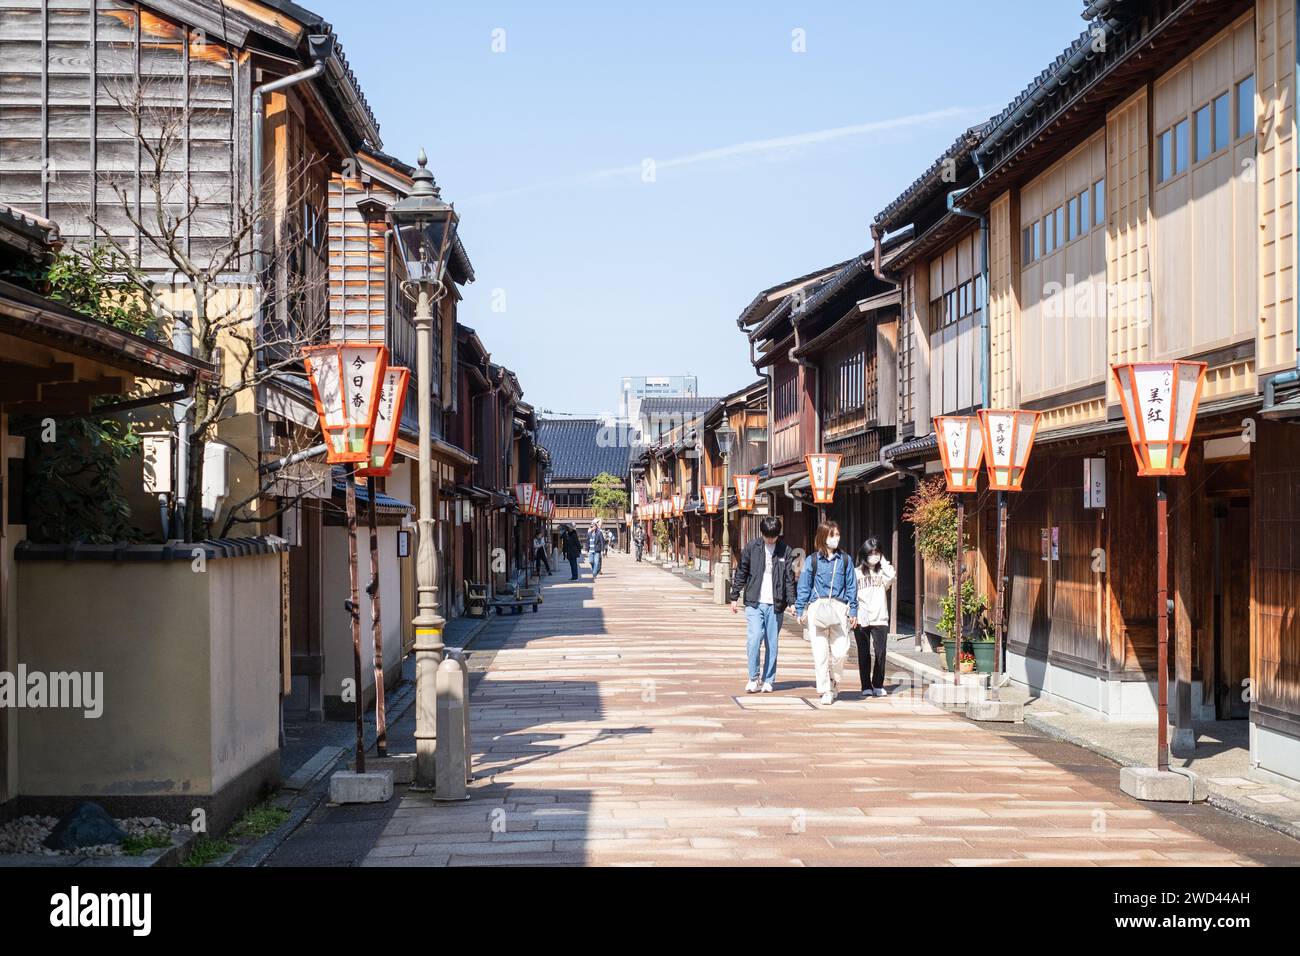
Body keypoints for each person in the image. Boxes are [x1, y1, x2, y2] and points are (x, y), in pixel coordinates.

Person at [729, 515, 796, 694]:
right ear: (763, 533)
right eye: (768, 536)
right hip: (754, 601)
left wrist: (792, 602)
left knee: (771, 643)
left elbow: (789, 578)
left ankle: (768, 679)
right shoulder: (752, 547)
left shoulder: (785, 550)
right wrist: (734, 596)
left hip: (776, 603)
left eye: (774, 536)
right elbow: (742, 571)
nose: (771, 540)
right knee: (754, 638)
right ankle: (753, 678)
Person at [795, 521, 858, 705]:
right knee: (820, 653)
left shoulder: (845, 560)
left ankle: (833, 679)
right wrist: (801, 609)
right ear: (823, 537)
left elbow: (852, 585)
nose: (835, 539)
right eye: (832, 535)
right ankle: (825, 690)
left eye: (837, 535)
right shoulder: (812, 560)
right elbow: (804, 585)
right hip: (817, 607)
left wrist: (853, 609)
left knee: (841, 650)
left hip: (838, 607)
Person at [853, 537, 896, 698]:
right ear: (864, 554)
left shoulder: (882, 572)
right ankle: (866, 685)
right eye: (871, 553)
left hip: (880, 617)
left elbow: (892, 575)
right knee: (863, 653)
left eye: (877, 553)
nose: (874, 556)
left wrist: (883, 560)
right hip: (861, 617)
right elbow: (851, 595)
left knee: (880, 652)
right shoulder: (856, 573)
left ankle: (878, 684)